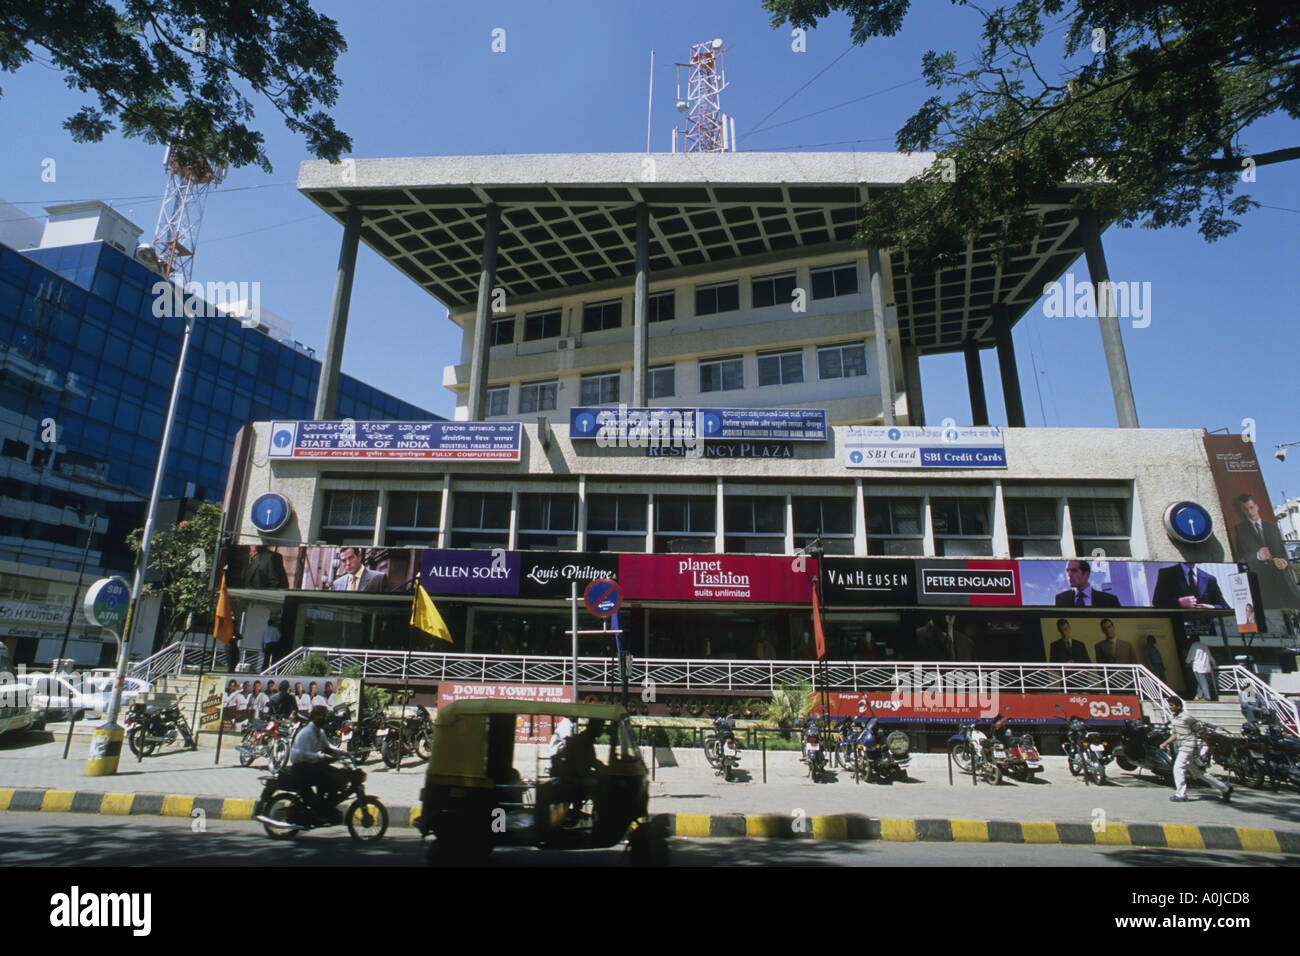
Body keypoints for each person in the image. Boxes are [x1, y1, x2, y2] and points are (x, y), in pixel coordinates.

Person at [1231, 493, 1300, 626]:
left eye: (1251, 507)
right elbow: (1240, 558)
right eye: (1246, 509)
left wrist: (1284, 562)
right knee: (1275, 622)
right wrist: (1257, 556)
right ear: (1242, 511)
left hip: (1285, 583)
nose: (1250, 512)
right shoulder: (1240, 530)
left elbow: (1285, 554)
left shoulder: (1272, 527)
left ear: (1257, 507)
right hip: (1264, 587)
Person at [289, 705, 356, 821]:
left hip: (311, 765)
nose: (324, 718)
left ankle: (327, 806)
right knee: (328, 777)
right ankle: (320, 809)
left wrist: (345, 753)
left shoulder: (319, 732)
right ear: (315, 717)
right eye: (322, 716)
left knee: (336, 775)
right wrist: (321, 756)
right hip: (301, 768)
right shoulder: (306, 732)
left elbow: (329, 747)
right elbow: (303, 754)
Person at [1161, 697, 1231, 803]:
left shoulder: (1187, 718)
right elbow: (1175, 734)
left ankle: (1181, 794)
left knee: (1178, 768)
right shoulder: (1175, 719)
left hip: (1188, 747)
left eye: (1172, 705)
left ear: (1178, 706)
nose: (1169, 707)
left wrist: (1210, 746)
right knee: (1198, 773)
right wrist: (1165, 743)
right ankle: (1225, 788)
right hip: (1183, 747)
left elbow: (1201, 732)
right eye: (1169, 705)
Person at [1151, 562, 1228, 609]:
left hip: (1207, 630)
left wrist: (1212, 607)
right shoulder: (1166, 574)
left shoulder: (1209, 578)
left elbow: (1224, 606)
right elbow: (1157, 602)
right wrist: (1179, 603)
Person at [1054, 560, 1121, 607]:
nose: (1069, 574)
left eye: (1074, 570)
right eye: (1067, 571)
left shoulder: (1109, 600)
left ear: (1086, 574)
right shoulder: (1061, 599)